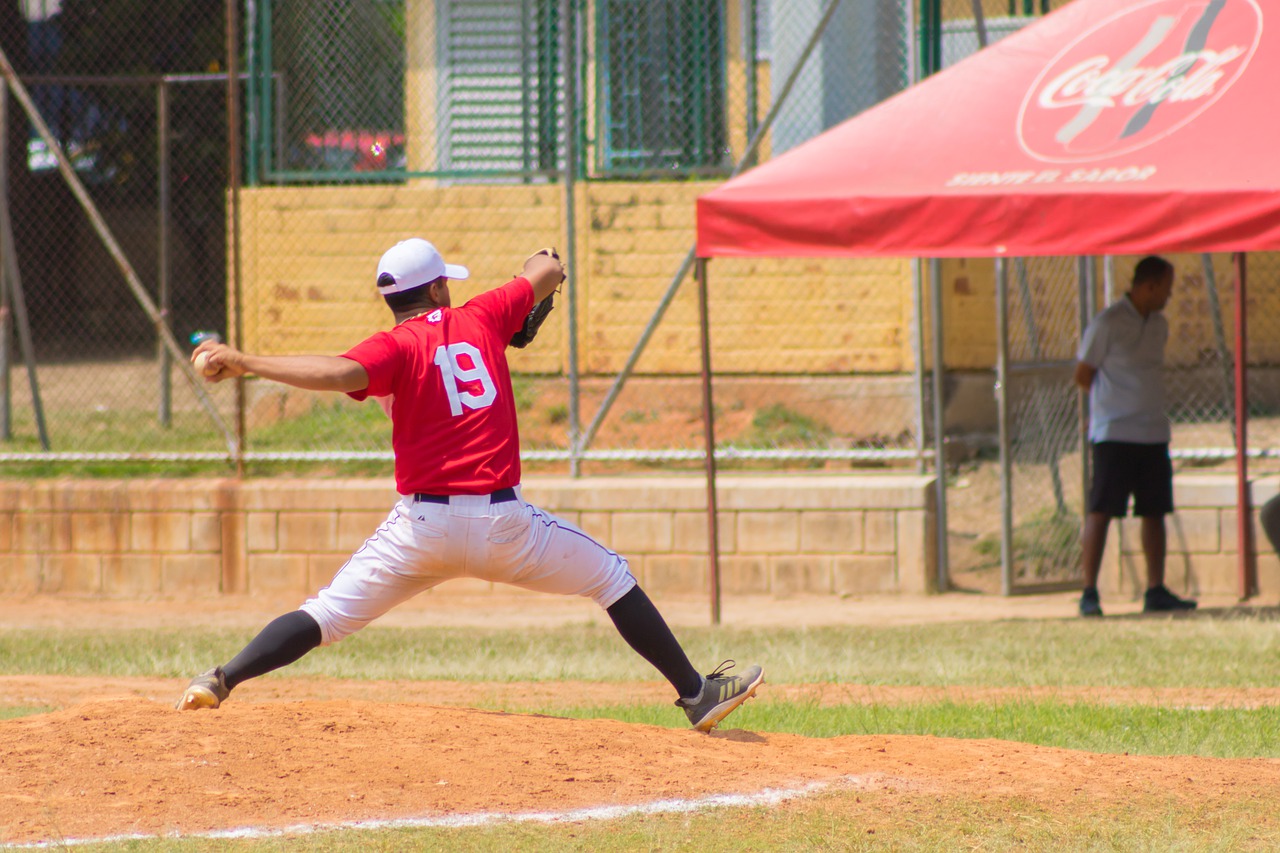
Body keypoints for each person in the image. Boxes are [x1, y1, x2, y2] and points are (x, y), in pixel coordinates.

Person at [177, 238, 763, 732]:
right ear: (437, 289)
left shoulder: (393, 347)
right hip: (504, 525)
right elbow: (547, 268)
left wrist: (245, 361)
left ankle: (221, 679)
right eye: (445, 284)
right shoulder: (484, 315)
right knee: (610, 578)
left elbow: (340, 372)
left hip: (420, 530)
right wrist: (544, 263)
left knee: (325, 615)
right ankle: (696, 694)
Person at [1073, 255, 1196, 617]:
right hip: (1115, 433)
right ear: (1149, 286)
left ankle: (1155, 590)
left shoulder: (1159, 325)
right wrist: (1109, 406)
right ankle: (1089, 592)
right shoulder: (1108, 323)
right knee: (1102, 510)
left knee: (1155, 511)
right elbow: (1083, 374)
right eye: (1166, 288)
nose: (1169, 296)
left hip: (1153, 432)